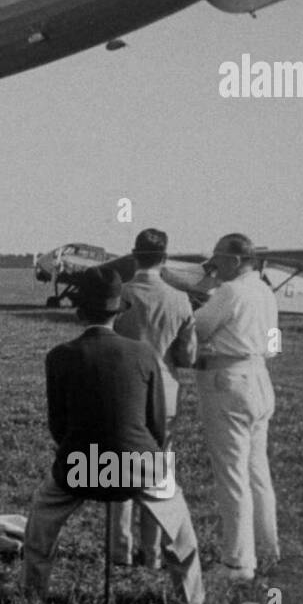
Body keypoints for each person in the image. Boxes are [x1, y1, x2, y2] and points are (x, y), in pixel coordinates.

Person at [22, 267, 204, 604]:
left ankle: (32, 595)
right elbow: (157, 424)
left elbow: (57, 425)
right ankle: (192, 602)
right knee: (181, 531)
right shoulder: (144, 354)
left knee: (40, 523)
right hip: (140, 464)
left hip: (80, 466)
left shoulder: (59, 356)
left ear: (79, 311)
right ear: (118, 312)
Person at [193, 233, 280, 581]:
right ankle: (268, 548)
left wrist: (205, 290)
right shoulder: (264, 291)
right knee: (258, 472)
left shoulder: (230, 292)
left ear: (232, 260)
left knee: (232, 474)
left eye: (217, 259)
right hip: (259, 377)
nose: (213, 265)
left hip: (229, 383)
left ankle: (238, 562)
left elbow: (197, 327)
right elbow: (272, 346)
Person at [111, 228, 197, 568]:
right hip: (165, 399)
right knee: (158, 478)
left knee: (120, 476)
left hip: (124, 397)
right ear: (164, 259)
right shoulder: (181, 300)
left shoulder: (120, 295)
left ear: (134, 256)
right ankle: (153, 552)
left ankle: (120, 549)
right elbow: (188, 357)